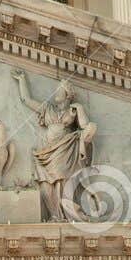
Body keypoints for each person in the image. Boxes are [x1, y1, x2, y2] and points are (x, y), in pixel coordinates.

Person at [13, 71, 96, 220]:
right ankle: (54, 214)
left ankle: (67, 213)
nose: (56, 92)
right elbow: (27, 100)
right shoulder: (48, 109)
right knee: (45, 183)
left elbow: (85, 126)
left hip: (64, 150)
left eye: (60, 90)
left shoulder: (73, 110)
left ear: (68, 94)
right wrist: (22, 80)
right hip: (46, 152)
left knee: (62, 180)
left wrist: (80, 109)